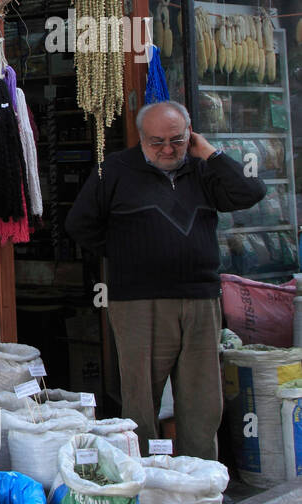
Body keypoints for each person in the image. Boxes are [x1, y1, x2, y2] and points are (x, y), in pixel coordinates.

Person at [65, 100, 265, 460]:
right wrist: (126, 253)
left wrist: (210, 154)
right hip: (139, 302)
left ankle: (200, 485)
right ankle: (146, 483)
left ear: (190, 136)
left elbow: (250, 193)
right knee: (141, 400)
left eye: (177, 139)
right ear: (142, 138)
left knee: (203, 400)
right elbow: (79, 224)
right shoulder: (114, 171)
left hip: (201, 300)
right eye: (157, 142)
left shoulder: (203, 171)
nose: (168, 149)